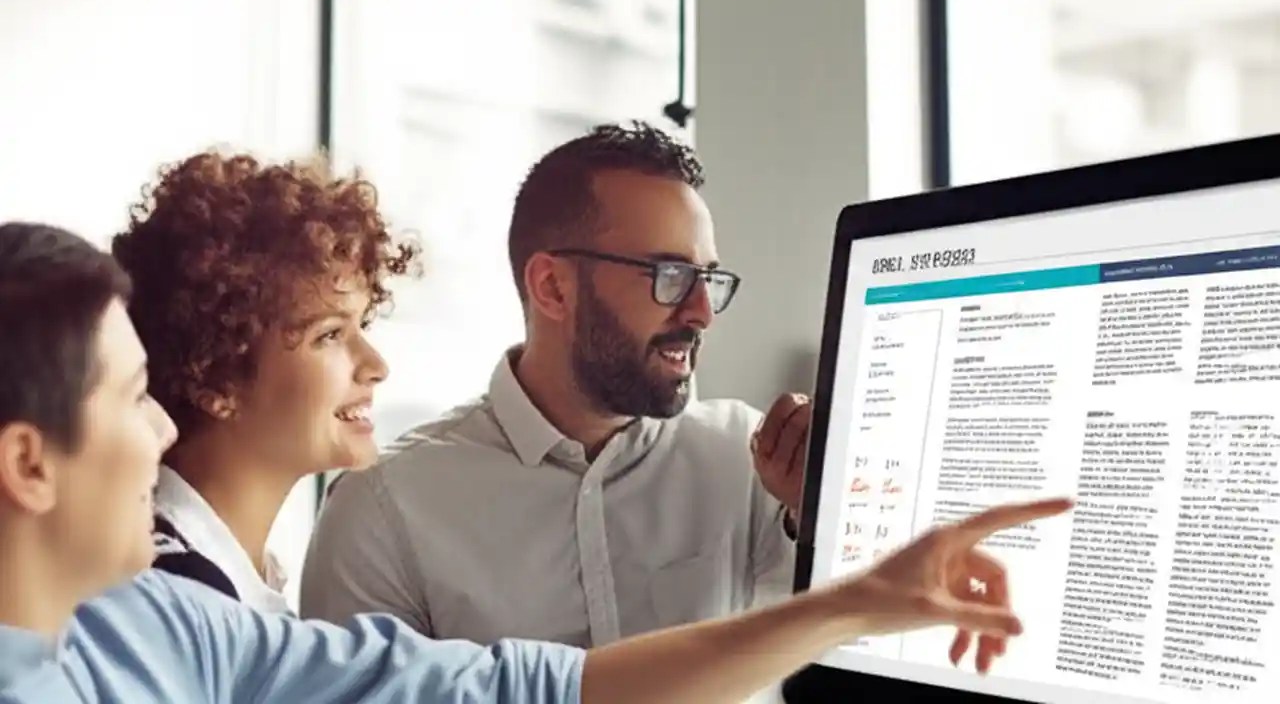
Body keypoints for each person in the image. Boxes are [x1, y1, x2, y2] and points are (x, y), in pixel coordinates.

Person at [0, 220, 1070, 703]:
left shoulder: (164, 625)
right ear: (27, 465)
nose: (164, 429)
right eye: (134, 398)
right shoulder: (379, 508)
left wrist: (854, 597)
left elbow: (531, 688)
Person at [301, 121, 814, 645]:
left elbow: (860, 634)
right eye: (671, 277)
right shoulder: (384, 513)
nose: (702, 312)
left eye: (708, 279)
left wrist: (821, 509)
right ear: (552, 287)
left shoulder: (759, 465)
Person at [109, 151, 417, 612]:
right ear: (215, 379)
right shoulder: (172, 590)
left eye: (361, 328)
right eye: (330, 335)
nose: (375, 365)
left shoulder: (234, 575)